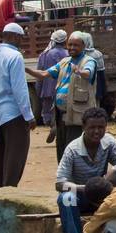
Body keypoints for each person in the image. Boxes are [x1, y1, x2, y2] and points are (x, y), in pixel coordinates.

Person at [27, 31, 98, 162]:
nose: (72, 48)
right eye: (69, 45)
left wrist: (80, 71)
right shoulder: (64, 62)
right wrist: (26, 69)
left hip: (78, 115)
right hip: (61, 115)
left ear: (83, 46)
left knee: (76, 149)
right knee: (62, 149)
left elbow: (88, 73)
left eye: (76, 45)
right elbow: (43, 74)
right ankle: (64, 177)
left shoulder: (89, 61)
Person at [0, 23, 36, 187]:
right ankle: (9, 191)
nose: (21, 41)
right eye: (21, 38)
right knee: (15, 157)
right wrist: (29, 116)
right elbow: (20, 89)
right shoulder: (15, 56)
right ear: (14, 36)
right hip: (14, 114)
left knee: (0, 157)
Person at [35, 30, 69, 147]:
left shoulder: (44, 55)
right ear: (65, 41)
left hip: (48, 89)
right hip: (64, 88)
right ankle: (60, 130)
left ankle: (52, 125)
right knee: (64, 112)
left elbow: (40, 74)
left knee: (47, 112)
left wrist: (38, 90)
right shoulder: (68, 54)